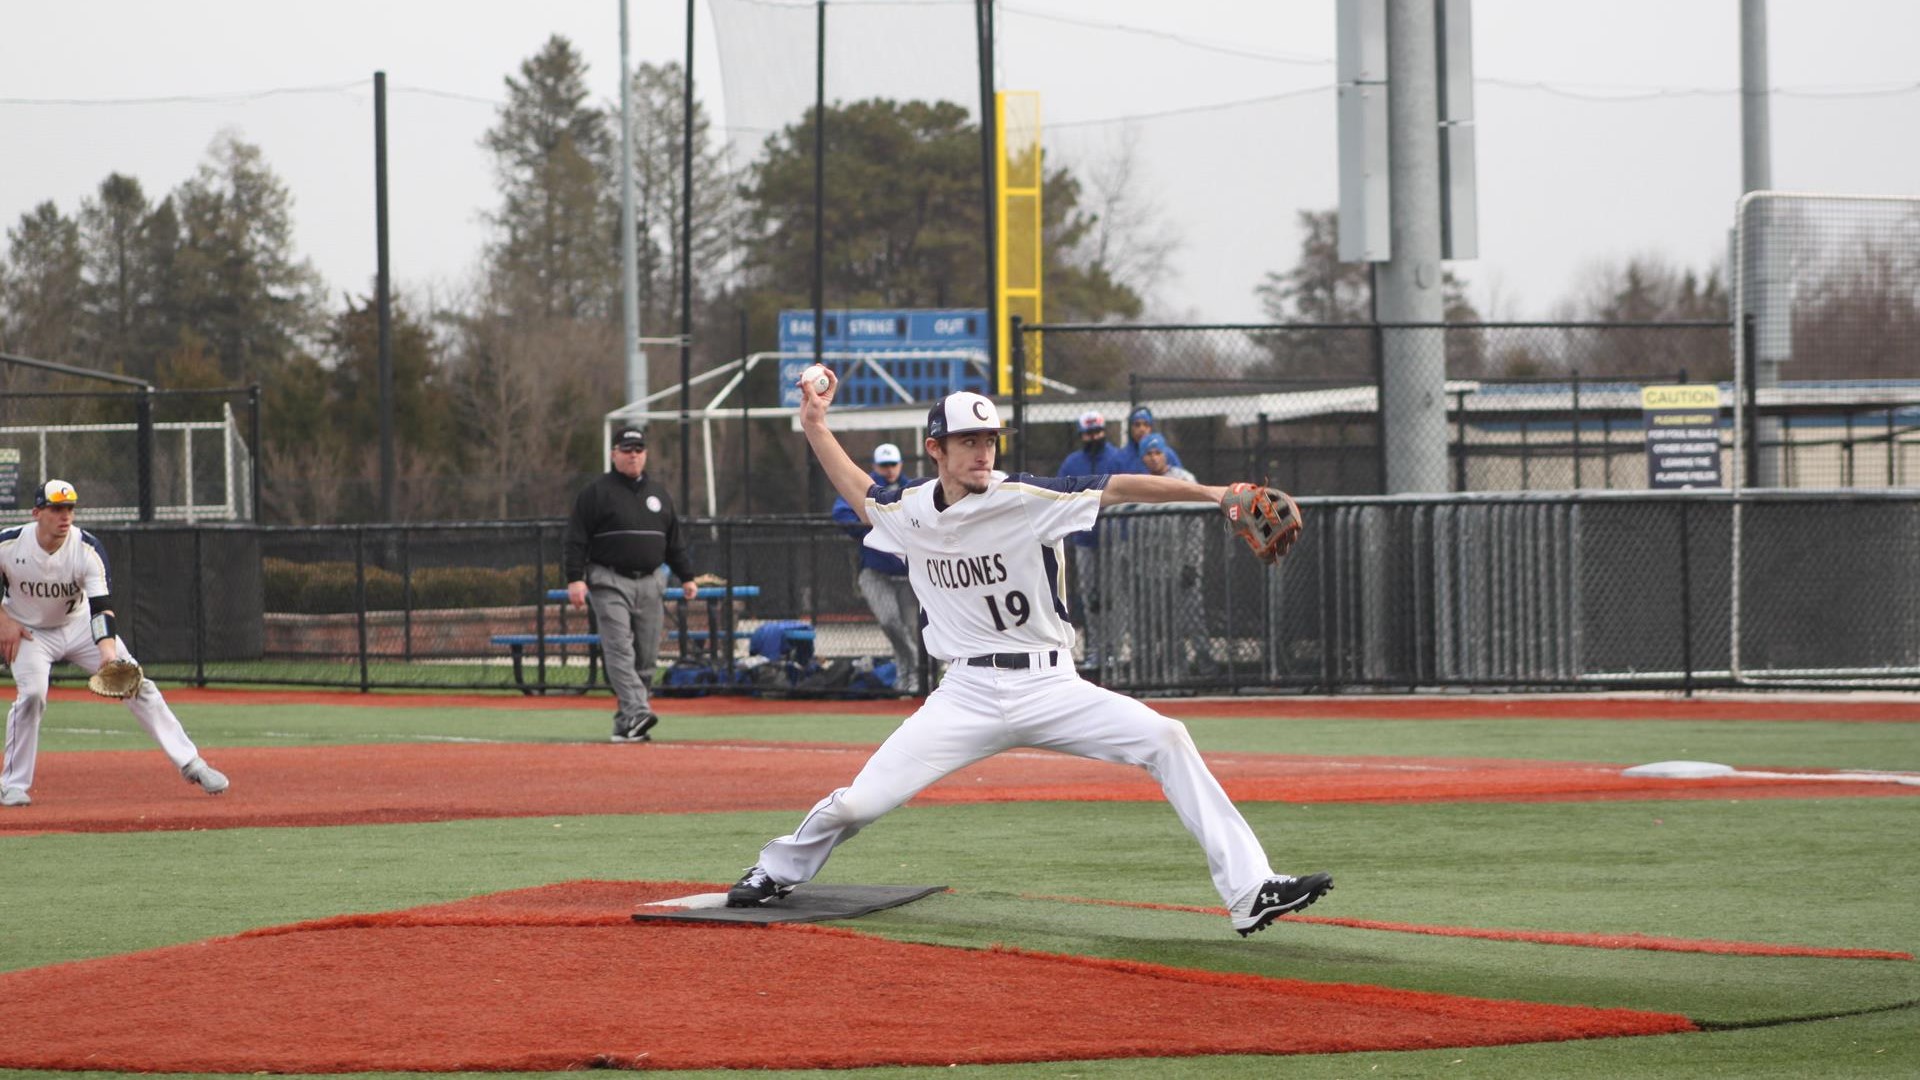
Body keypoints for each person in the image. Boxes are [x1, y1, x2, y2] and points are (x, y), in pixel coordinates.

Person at [721, 381, 1333, 937]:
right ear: (935, 448)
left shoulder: (1027, 497)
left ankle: (1251, 888)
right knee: (858, 803)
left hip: (1051, 685)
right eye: (968, 440)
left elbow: (1119, 488)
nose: (982, 451)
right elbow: (860, 492)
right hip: (964, 695)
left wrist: (1213, 492)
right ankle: (775, 869)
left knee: (1167, 737)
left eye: (988, 439)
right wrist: (814, 425)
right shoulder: (910, 511)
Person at [0, 480, 229, 806]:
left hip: (78, 626)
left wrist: (107, 652)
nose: (65, 516)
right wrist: (4, 620)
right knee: (33, 694)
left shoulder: (86, 549)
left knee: (137, 682)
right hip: (28, 632)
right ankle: (12, 784)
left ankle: (192, 763)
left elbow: (100, 607)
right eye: (56, 509)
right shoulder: (10, 545)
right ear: (37, 512)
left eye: (69, 508)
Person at [564, 427, 700, 743]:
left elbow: (674, 541)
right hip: (609, 580)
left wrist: (687, 576)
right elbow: (575, 539)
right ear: (614, 454)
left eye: (639, 448)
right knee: (619, 650)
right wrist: (575, 578)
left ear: (646, 454)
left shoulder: (659, 494)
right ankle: (639, 710)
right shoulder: (596, 493)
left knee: (647, 656)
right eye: (627, 449)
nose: (633, 454)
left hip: (651, 581)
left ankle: (626, 724)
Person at [831, 442, 924, 695]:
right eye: (884, 465)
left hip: (907, 574)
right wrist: (875, 529)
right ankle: (914, 668)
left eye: (893, 464)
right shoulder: (866, 486)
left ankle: (909, 679)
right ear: (875, 466)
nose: (889, 470)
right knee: (890, 621)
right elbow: (840, 512)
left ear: (900, 464)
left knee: (913, 629)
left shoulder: (910, 488)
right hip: (875, 572)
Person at [1055, 411, 1139, 667]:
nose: (1094, 437)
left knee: (1114, 595)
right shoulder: (1072, 462)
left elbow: (1129, 491)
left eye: (1097, 432)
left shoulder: (1116, 458)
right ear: (1082, 435)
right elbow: (1059, 494)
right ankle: (1095, 649)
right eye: (1089, 433)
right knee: (1090, 596)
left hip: (1114, 538)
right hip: (1084, 540)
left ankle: (1113, 649)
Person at [1121, 405, 1185, 473]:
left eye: (1146, 424)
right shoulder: (1122, 457)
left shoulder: (1167, 453)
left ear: (1151, 427)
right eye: (1137, 425)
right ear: (1130, 428)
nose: (1142, 429)